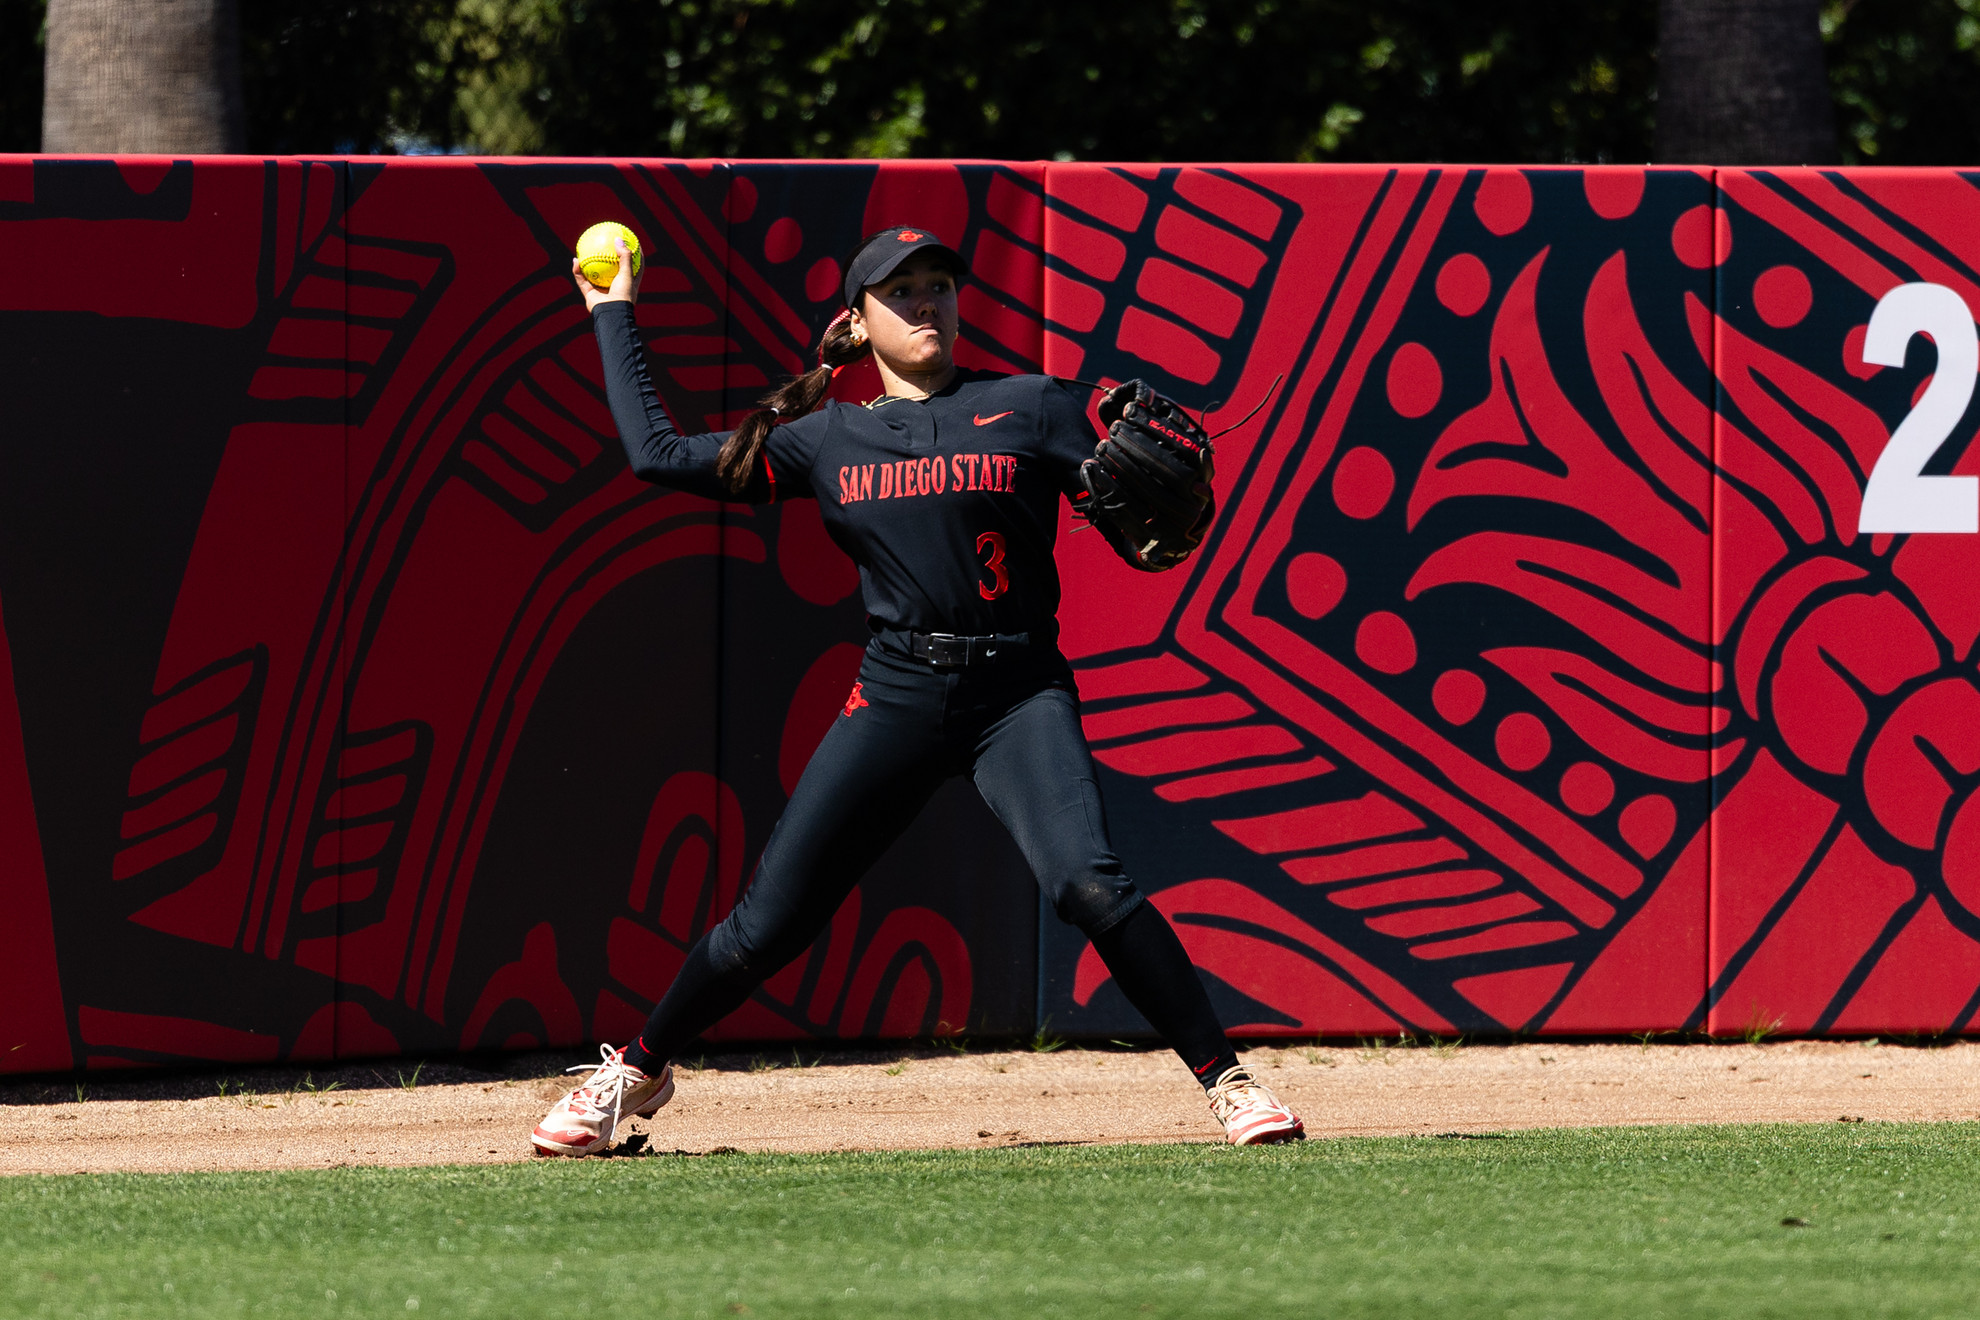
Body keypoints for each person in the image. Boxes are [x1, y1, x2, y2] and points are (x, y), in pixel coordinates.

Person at [531, 225, 1304, 1156]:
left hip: (1017, 692)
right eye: (902, 292)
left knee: (1090, 887)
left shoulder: (1030, 407)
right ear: (856, 322)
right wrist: (611, 310)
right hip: (896, 695)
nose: (928, 302)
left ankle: (1228, 1081)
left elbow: (1130, 493)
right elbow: (656, 453)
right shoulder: (827, 437)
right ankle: (638, 1072)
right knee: (764, 926)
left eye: (939, 284)